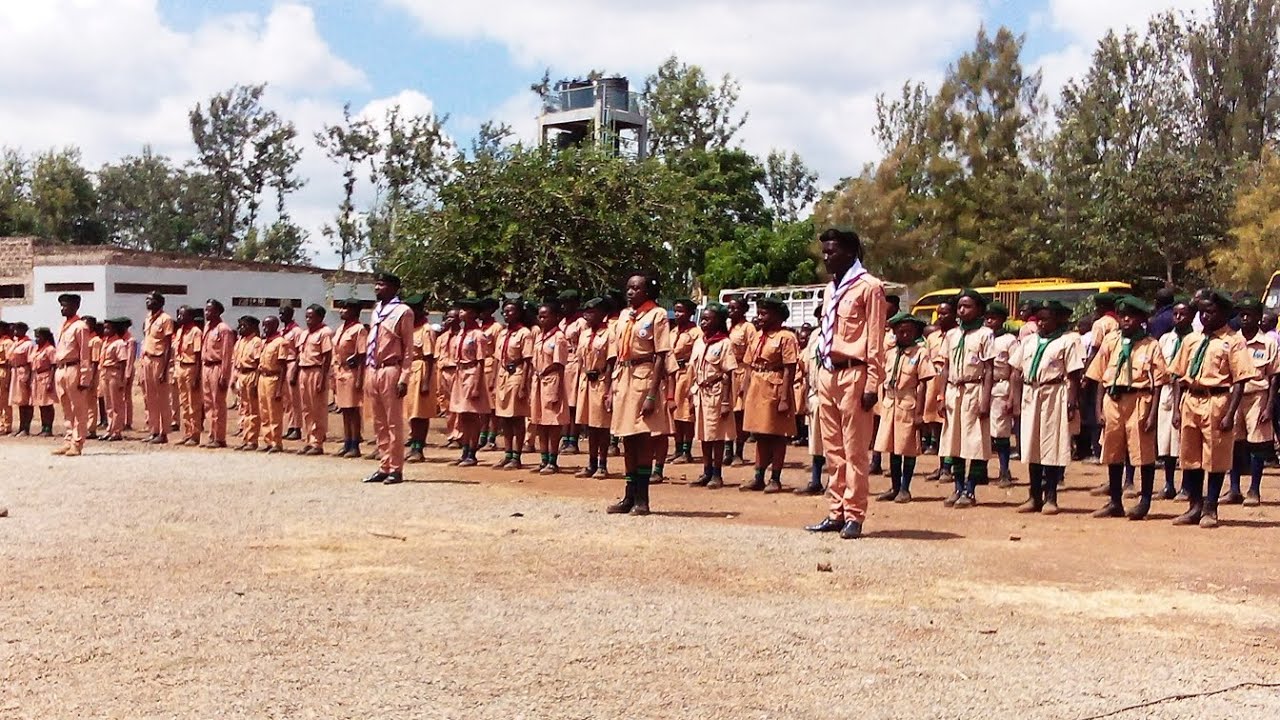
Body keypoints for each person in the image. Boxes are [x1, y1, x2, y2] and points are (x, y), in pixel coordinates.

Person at [805, 228, 887, 540]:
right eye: (824, 252)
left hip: (855, 372)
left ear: (851, 253)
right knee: (833, 450)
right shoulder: (830, 289)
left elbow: (876, 339)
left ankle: (854, 514)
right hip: (828, 372)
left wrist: (872, 384)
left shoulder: (869, 287)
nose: (826, 258)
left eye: (832, 252)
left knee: (855, 451)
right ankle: (835, 511)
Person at [1168, 291, 1257, 528]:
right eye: (1202, 312)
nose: (1205, 317)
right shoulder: (1191, 340)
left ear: (1225, 314)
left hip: (1216, 400)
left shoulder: (1233, 341)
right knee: (1191, 457)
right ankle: (1194, 506)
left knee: (1215, 457)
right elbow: (1178, 375)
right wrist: (1177, 408)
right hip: (1191, 400)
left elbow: (1240, 380)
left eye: (1211, 312)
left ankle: (1211, 508)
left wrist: (1230, 414)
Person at [1084, 296, 1170, 520]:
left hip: (1139, 400)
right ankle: (1114, 500)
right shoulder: (1111, 341)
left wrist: (1153, 414)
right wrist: (1098, 409)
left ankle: (1145, 501)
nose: (1126, 320)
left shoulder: (1151, 345)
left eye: (1131, 316)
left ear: (1141, 319)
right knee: (1113, 452)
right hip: (1113, 400)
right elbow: (1100, 375)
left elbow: (1159, 382)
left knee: (1142, 452)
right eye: (1122, 316)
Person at [606, 274, 672, 516]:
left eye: (636, 288)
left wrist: (652, 395)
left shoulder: (657, 315)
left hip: (644, 377)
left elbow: (661, 355)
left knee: (643, 437)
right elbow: (615, 355)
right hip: (623, 377)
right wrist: (610, 390)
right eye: (629, 287)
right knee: (627, 437)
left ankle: (642, 499)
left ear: (647, 292)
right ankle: (629, 495)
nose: (631, 292)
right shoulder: (624, 316)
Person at [1011, 300, 1082, 514]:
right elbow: (1015, 371)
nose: (1042, 323)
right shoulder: (1029, 341)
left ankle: (1051, 496)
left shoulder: (1067, 341)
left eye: (1047, 319)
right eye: (1039, 318)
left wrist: (1071, 401)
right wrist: (1015, 399)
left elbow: (1074, 374)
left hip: (1054, 393)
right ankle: (1034, 496)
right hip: (1031, 393)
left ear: (1058, 319)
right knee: (1032, 445)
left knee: (1051, 445)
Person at [937, 289, 995, 507]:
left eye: (968, 306)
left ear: (978, 309)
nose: (962, 310)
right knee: (955, 441)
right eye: (960, 306)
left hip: (974, 389)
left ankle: (970, 489)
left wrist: (985, 400)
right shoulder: (952, 335)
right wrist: (941, 396)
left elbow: (989, 369)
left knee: (975, 441)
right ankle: (958, 487)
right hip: (954, 391)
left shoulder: (985, 334)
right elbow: (945, 367)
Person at [873, 312, 934, 503]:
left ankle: (905, 488)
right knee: (892, 447)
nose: (904, 335)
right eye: (900, 331)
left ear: (915, 332)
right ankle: (895, 486)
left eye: (908, 331)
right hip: (891, 404)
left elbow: (923, 383)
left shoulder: (920, 353)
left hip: (908, 403)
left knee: (907, 447)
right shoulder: (890, 354)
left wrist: (919, 413)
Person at [740, 297, 798, 494]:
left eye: (764, 314)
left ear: (776, 316)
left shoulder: (786, 337)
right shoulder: (756, 336)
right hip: (757, 387)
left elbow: (790, 369)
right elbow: (749, 365)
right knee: (760, 434)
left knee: (777, 435)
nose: (760, 317)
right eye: (759, 313)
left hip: (775, 386)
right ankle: (758, 476)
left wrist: (784, 398)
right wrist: (745, 390)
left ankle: (775, 478)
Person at [362, 273, 417, 483]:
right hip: (373, 369)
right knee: (379, 421)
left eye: (382, 284)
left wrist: (404, 377)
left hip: (390, 369)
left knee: (393, 422)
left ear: (394, 287)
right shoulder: (376, 311)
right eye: (376, 284)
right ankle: (383, 465)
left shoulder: (403, 311)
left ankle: (396, 468)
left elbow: (408, 348)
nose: (377, 287)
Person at [1227, 299, 1278, 506]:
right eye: (1242, 315)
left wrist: (1270, 406)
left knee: (1256, 444)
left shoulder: (1269, 343)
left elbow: (1275, 376)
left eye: (1249, 315)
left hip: (1257, 397)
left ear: (1258, 317)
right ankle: (1233, 489)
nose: (1245, 318)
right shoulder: (1231, 341)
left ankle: (1254, 490)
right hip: (1233, 398)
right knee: (1233, 443)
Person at [687, 303, 737, 489]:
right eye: (703, 318)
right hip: (700, 392)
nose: (704, 321)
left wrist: (725, 400)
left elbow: (727, 373)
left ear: (719, 322)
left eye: (709, 319)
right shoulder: (700, 342)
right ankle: (706, 470)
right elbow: (694, 369)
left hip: (716, 392)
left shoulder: (724, 343)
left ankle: (717, 473)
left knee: (716, 435)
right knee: (703, 434)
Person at [449, 298, 494, 467]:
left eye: (466, 310)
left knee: (473, 415)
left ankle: (472, 452)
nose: (461, 312)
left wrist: (476, 384)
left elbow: (481, 360)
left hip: (472, 373)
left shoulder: (478, 335)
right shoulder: (461, 333)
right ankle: (465, 448)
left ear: (474, 314)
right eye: (461, 309)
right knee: (463, 415)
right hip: (460, 373)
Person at [1157, 298, 1194, 499]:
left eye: (1183, 315)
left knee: (1185, 441)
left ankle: (1187, 486)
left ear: (1191, 317)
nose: (1178, 318)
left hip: (1187, 392)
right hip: (1167, 393)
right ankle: (1168, 484)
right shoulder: (1165, 340)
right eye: (1176, 314)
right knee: (1166, 441)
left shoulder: (1196, 340)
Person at [574, 297, 615, 478]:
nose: (588, 315)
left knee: (602, 425)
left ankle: (602, 464)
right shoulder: (584, 334)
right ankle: (591, 463)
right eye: (586, 311)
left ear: (602, 313)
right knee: (590, 425)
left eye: (592, 311)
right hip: (586, 381)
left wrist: (609, 386)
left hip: (601, 380)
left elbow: (611, 360)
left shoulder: (609, 334)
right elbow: (580, 358)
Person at [492, 298, 534, 469]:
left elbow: (527, 360)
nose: (507, 315)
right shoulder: (502, 333)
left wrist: (524, 384)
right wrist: (494, 381)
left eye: (511, 311)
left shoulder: (524, 333)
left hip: (516, 374)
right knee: (504, 417)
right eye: (505, 312)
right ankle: (507, 453)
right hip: (503, 374)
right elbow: (497, 359)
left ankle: (517, 456)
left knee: (516, 417)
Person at [530, 302, 570, 474]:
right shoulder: (540, 336)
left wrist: (546, 373)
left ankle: (553, 460)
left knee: (552, 422)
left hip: (552, 381)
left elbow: (559, 363)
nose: (542, 319)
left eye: (546, 316)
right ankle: (543, 457)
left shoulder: (559, 338)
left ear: (555, 317)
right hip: (538, 381)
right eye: (540, 316)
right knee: (539, 420)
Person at [52, 294, 93, 457]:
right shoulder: (64, 326)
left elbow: (84, 354)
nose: (63, 308)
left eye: (66, 305)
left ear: (76, 306)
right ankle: (68, 440)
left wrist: (84, 377)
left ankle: (77, 443)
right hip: (61, 368)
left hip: (73, 368)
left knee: (79, 408)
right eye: (61, 305)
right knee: (66, 408)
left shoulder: (80, 327)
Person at [292, 303, 334, 456]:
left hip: (316, 371)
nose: (308, 320)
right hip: (304, 370)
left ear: (320, 317)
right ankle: (308, 439)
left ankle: (317, 442)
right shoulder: (304, 334)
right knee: (306, 408)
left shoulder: (324, 333)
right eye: (307, 317)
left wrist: (323, 378)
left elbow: (327, 357)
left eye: (312, 317)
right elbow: (299, 355)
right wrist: (295, 373)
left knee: (318, 408)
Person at [986, 301, 1019, 487]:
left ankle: (1004, 470)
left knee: (1001, 432)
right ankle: (980, 470)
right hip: (983, 387)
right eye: (988, 317)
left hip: (1001, 387)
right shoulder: (982, 337)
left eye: (994, 318)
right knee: (982, 431)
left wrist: (1012, 398)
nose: (990, 321)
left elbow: (1015, 369)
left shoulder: (1008, 340)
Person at [794, 308, 827, 496]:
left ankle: (835, 482)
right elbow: (806, 367)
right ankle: (815, 480)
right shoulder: (815, 336)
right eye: (820, 317)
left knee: (835, 443)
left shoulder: (843, 336)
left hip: (834, 395)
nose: (823, 319)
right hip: (815, 395)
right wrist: (807, 397)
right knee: (816, 443)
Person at [922, 300, 956, 477]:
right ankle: (941, 463)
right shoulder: (932, 337)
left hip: (950, 381)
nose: (941, 317)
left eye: (945, 313)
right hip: (933, 382)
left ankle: (949, 467)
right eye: (939, 313)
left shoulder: (957, 335)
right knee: (935, 422)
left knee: (949, 425)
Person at [668, 298, 702, 466]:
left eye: (681, 311)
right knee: (674, 413)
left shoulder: (696, 333)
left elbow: (697, 356)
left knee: (686, 414)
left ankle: (687, 451)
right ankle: (677, 448)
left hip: (688, 372)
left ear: (690, 313)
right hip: (673, 374)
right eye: (676, 310)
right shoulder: (672, 332)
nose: (677, 314)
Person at [332, 300, 368, 458]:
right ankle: (346, 441)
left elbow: (362, 355)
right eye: (341, 307)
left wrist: (360, 378)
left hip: (352, 372)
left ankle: (355, 444)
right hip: (341, 372)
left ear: (355, 311)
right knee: (345, 410)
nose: (342, 310)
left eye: (346, 308)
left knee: (353, 409)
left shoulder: (359, 329)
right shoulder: (341, 329)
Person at [725, 297, 758, 466]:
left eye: (734, 308)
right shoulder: (728, 327)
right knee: (727, 413)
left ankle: (739, 451)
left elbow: (752, 352)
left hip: (743, 371)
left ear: (743, 310)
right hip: (728, 373)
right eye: (729, 308)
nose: (731, 312)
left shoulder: (748, 328)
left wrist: (746, 381)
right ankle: (727, 449)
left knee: (739, 413)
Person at [139, 292, 175, 444]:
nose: (148, 301)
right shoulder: (148, 318)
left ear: (160, 303)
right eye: (147, 299)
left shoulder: (165, 319)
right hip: (146, 359)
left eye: (151, 299)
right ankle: (153, 430)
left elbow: (167, 345)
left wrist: (164, 369)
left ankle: (163, 432)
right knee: (150, 398)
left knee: (161, 399)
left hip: (159, 360)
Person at [199, 299, 235, 449]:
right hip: (206, 367)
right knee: (208, 403)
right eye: (206, 310)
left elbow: (227, 354)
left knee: (218, 403)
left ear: (218, 312)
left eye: (210, 310)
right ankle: (212, 435)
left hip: (217, 367)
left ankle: (219, 437)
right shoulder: (207, 327)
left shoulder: (224, 329)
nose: (207, 313)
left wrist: (224, 375)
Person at [558, 289, 586, 455]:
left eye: (567, 303)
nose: (564, 306)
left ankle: (573, 439)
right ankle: (565, 437)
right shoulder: (562, 322)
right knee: (565, 403)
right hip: (563, 363)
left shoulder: (580, 323)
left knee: (574, 404)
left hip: (575, 362)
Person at [257, 316, 290, 454]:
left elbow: (283, 366)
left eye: (268, 326)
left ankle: (277, 442)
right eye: (263, 325)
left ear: (275, 326)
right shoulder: (265, 342)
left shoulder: (280, 342)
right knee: (264, 412)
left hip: (274, 378)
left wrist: (279, 388)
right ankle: (268, 440)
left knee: (274, 412)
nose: (264, 329)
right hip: (263, 378)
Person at [171, 306, 202, 446]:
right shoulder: (179, 332)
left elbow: (198, 355)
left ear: (190, 317)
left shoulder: (196, 332)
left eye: (182, 316)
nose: (179, 318)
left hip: (191, 368)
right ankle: (187, 433)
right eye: (178, 315)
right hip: (180, 367)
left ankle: (195, 435)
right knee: (184, 402)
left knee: (193, 403)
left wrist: (196, 375)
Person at [232, 316, 263, 451]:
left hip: (251, 374)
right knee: (244, 409)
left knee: (253, 409)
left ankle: (252, 440)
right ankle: (245, 438)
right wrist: (234, 379)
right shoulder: (240, 341)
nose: (240, 328)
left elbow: (258, 363)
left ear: (251, 327)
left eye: (244, 326)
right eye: (240, 326)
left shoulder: (256, 342)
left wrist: (256, 382)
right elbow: (235, 362)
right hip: (241, 375)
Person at [477, 297, 503, 451]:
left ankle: (491, 438)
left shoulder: (496, 328)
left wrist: (495, 374)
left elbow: (498, 352)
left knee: (493, 406)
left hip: (491, 365)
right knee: (482, 406)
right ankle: (482, 434)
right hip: (480, 367)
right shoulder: (479, 328)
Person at [98, 318, 131, 442]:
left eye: (108, 328)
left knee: (116, 403)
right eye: (105, 328)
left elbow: (123, 362)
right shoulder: (106, 342)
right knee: (108, 404)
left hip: (114, 372)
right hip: (105, 372)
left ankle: (117, 431)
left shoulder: (119, 343)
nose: (105, 330)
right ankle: (110, 429)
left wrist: (122, 379)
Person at [435, 308, 462, 449]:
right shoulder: (441, 337)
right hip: (442, 372)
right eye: (448, 317)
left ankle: (459, 435)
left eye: (454, 317)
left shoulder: (462, 336)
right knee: (445, 406)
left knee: (457, 405)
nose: (450, 320)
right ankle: (451, 434)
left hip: (456, 371)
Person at [278, 305, 305, 442]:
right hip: (283, 365)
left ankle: (297, 428)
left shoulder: (296, 331)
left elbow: (301, 351)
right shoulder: (282, 331)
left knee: (295, 399)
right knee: (286, 400)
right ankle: (290, 426)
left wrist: (295, 370)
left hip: (292, 362)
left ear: (291, 314)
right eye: (280, 313)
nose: (281, 315)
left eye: (284, 313)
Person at [8, 323, 33, 436]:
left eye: (17, 329)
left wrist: (29, 377)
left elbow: (31, 361)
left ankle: (26, 428)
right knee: (19, 401)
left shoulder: (28, 344)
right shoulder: (15, 343)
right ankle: (21, 427)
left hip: (24, 371)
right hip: (15, 371)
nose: (15, 332)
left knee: (26, 401)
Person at [32, 327, 57, 437]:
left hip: (46, 376)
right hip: (38, 377)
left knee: (47, 404)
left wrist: (50, 381)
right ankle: (43, 426)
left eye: (39, 337)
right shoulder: (37, 349)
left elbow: (53, 365)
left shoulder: (50, 349)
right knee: (41, 404)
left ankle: (49, 428)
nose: (37, 339)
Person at [82, 316, 102, 438]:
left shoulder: (95, 341)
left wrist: (92, 378)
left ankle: (91, 428)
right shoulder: (85, 339)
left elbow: (95, 361)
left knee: (91, 402)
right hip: (83, 372)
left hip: (91, 373)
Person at [0, 321, 12, 435]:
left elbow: (9, 360)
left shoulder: (8, 342)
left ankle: (6, 425)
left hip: (3, 371)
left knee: (3, 399)